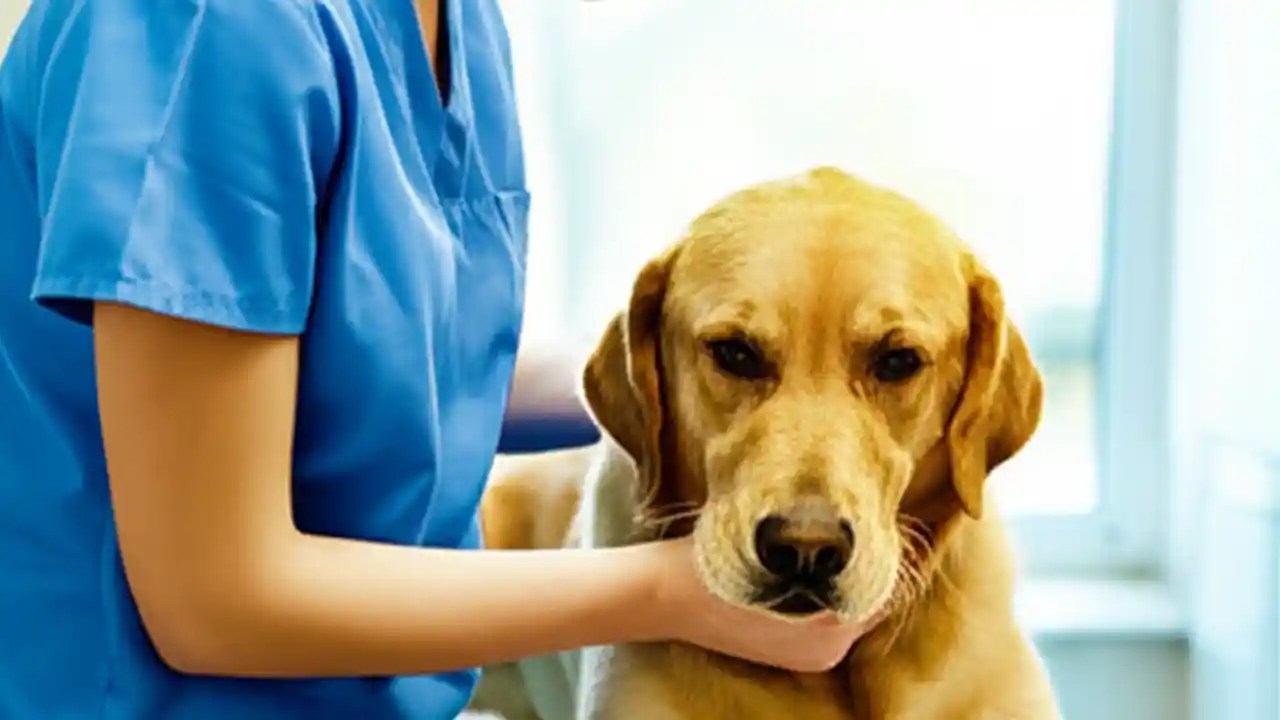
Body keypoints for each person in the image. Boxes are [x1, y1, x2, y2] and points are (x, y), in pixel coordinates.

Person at [0, 1, 870, 718]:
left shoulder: (459, 24)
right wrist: (679, 589)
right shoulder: (203, 26)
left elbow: (388, 378)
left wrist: (696, 374)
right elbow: (217, 600)